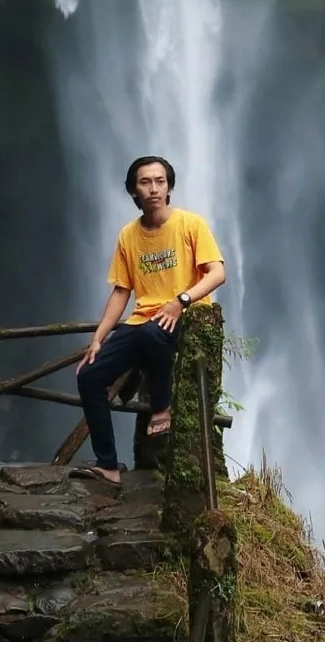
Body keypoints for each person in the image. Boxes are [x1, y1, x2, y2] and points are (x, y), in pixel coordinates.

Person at [72, 155, 225, 486]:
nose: (154, 188)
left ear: (169, 187)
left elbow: (218, 273)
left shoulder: (191, 224)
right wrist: (98, 338)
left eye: (160, 181)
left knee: (152, 335)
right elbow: (120, 292)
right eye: (145, 182)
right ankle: (109, 465)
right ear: (133, 191)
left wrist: (181, 301)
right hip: (144, 323)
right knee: (89, 376)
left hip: (186, 316)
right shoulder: (128, 235)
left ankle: (161, 407)